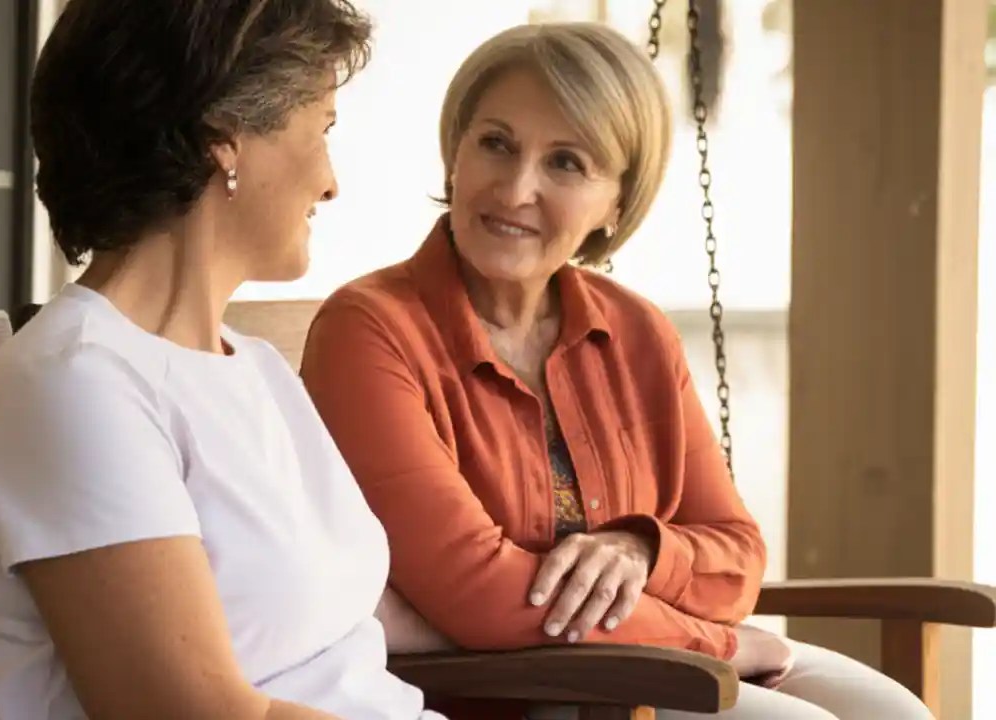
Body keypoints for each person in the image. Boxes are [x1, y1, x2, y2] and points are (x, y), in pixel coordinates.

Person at [298, 21, 934, 720]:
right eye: (496, 144)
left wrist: (640, 549)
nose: (515, 189)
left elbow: (738, 556)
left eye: (565, 163)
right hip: (514, 685)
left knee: (895, 714)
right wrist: (715, 643)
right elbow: (475, 591)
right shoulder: (369, 330)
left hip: (649, 656)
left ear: (618, 203)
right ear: (456, 151)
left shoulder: (636, 330)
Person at [0, 1, 450, 718]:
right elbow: (192, 712)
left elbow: (352, 621)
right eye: (323, 128)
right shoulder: (74, 387)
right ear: (225, 139)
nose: (332, 181)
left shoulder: (255, 368)